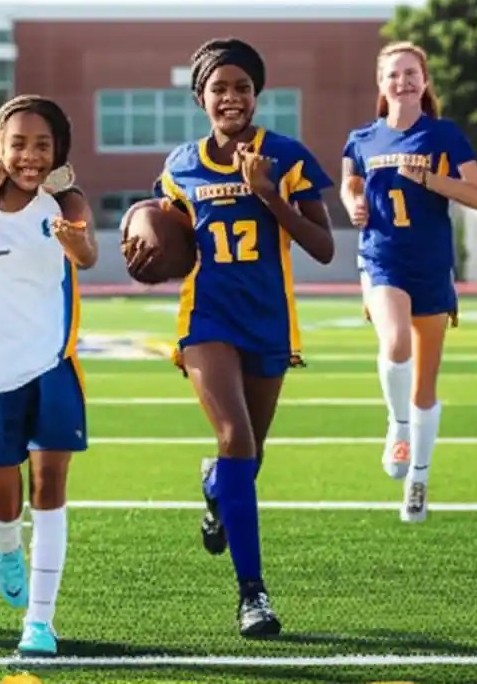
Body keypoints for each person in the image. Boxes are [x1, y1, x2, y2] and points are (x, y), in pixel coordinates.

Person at [143, 38, 335, 638]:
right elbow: (167, 236)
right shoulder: (180, 165)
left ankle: (214, 486)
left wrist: (267, 192)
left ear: (257, 94)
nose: (232, 98)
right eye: (219, 88)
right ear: (200, 97)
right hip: (207, 318)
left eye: (242, 87)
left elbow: (323, 248)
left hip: (268, 319)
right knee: (235, 435)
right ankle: (253, 594)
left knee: (247, 458)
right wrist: (145, 249)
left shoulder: (287, 155)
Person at [0, 94, 98, 658]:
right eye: (18, 144)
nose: (30, 155)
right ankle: (6, 544)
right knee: (3, 499)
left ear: (58, 151)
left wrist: (75, 241)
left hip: (52, 365)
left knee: (49, 488)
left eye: (42, 145)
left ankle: (40, 620)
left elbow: (86, 253)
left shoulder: (65, 200)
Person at [340, 41, 477, 523]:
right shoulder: (363, 137)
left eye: (411, 73)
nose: (402, 81)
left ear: (424, 81)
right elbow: (350, 182)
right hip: (382, 258)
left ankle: (418, 479)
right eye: (393, 74)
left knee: (425, 388)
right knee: (396, 341)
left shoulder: (443, 134)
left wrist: (428, 180)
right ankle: (397, 426)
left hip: (431, 266)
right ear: (380, 83)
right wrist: (353, 203)